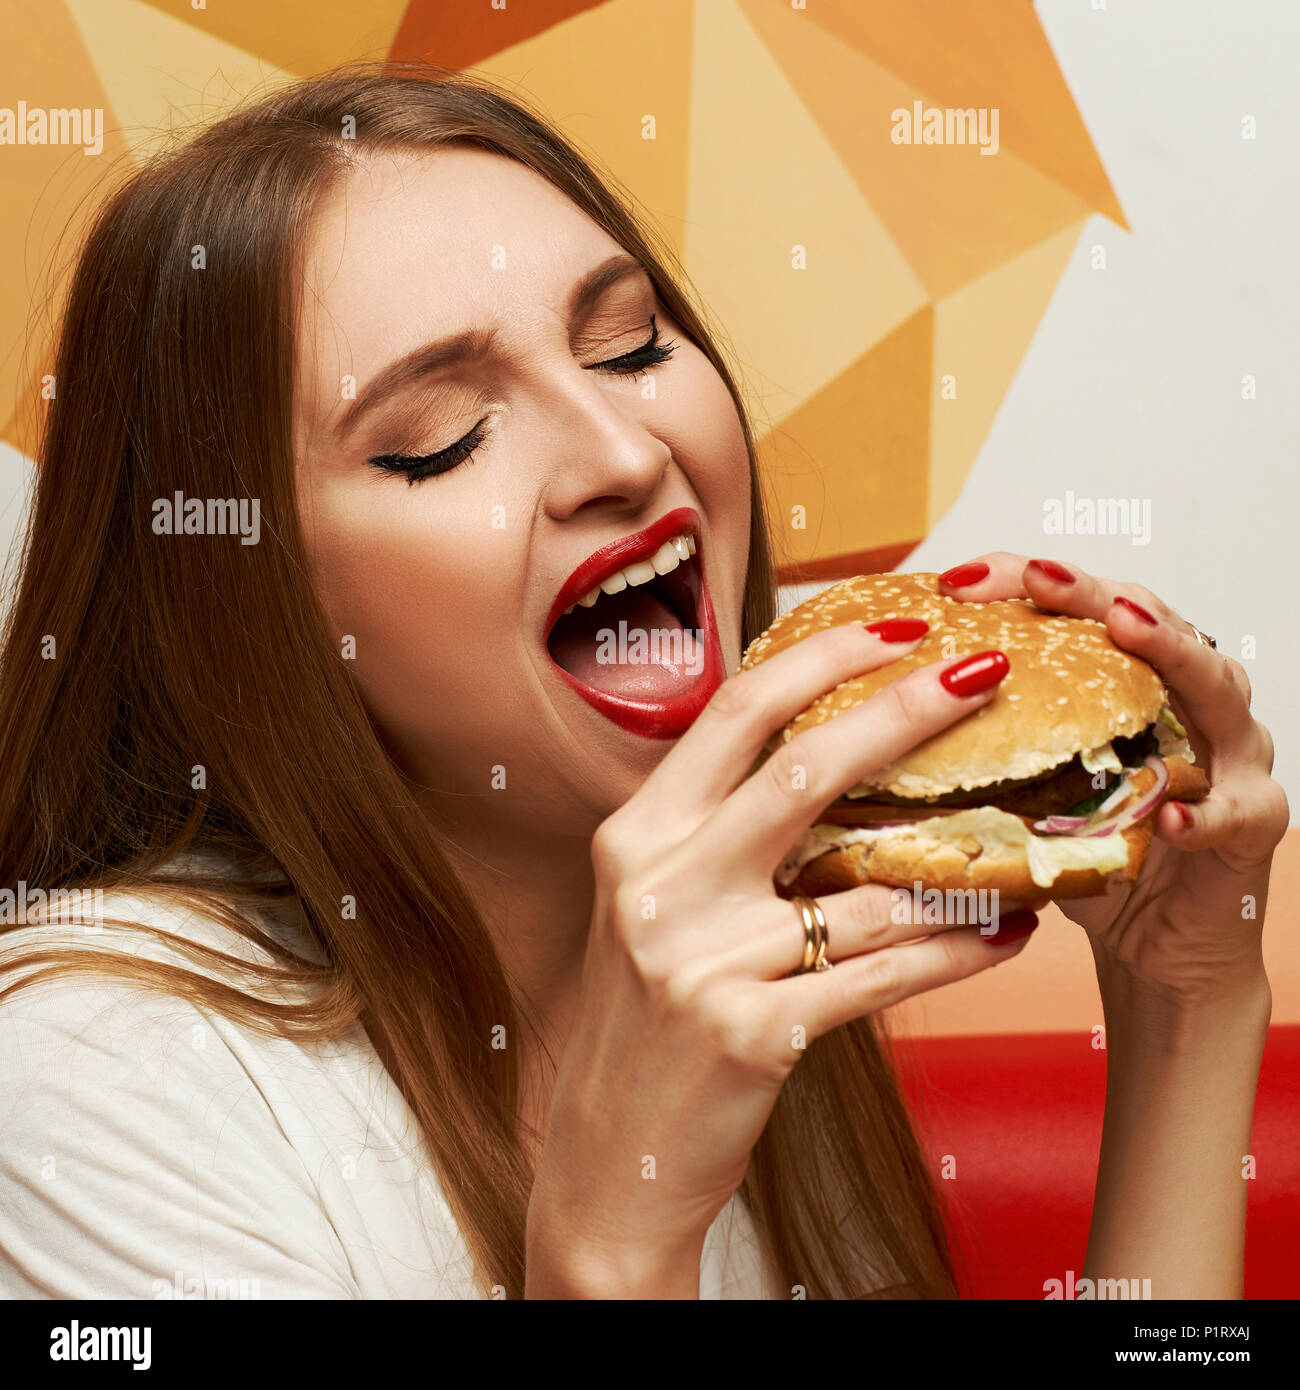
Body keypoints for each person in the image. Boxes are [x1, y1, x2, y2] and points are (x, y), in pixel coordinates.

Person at [0, 63, 1284, 1300]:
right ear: (250, 600)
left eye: (624, 346)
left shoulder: (768, 932)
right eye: (437, 440)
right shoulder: (91, 1077)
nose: (623, 450)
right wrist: (616, 1248)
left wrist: (1185, 1003)